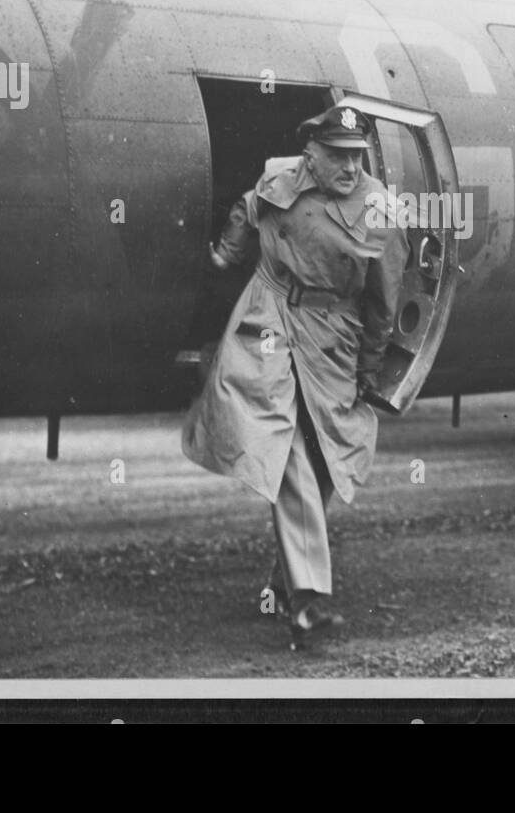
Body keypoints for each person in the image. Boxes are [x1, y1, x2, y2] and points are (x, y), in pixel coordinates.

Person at [182, 104, 409, 645]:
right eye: (337, 156)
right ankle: (310, 598)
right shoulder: (281, 178)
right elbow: (246, 207)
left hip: (335, 333)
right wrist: (226, 255)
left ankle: (288, 580)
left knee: (330, 456)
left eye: (356, 157)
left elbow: (384, 302)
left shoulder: (381, 211)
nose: (350, 168)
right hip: (272, 313)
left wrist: (369, 369)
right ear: (313, 153)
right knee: (286, 449)